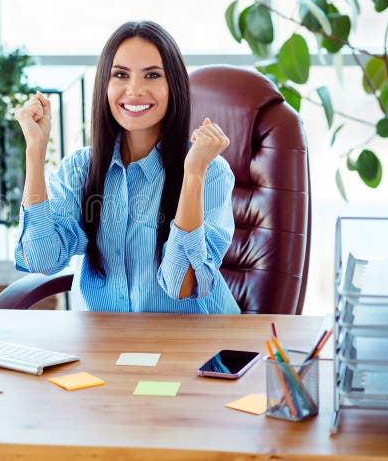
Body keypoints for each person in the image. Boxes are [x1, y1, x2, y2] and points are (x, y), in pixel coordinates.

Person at [13, 20, 240, 314]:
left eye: (152, 75)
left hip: (189, 338)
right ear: (105, 86)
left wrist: (193, 175)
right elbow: (41, 260)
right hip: (103, 338)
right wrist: (35, 151)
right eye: (120, 75)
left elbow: (179, 285)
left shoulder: (211, 172)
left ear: (173, 86)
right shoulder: (80, 169)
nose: (134, 90)